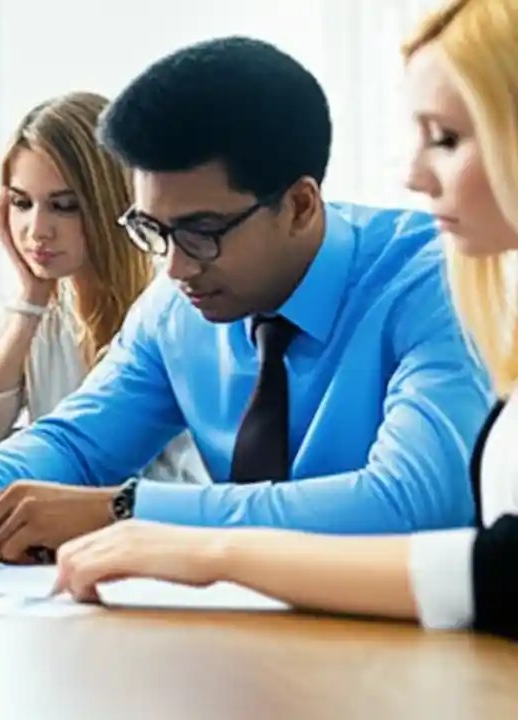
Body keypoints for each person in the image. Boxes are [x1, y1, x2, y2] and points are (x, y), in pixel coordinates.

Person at [0, 36, 492, 562]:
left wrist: (130, 511)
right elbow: (78, 443)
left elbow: (414, 503)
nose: (174, 264)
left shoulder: (437, 280)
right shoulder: (174, 307)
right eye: (152, 230)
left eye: (202, 231)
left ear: (299, 206)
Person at [53, 0, 518, 641]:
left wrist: (197, 545)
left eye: (445, 138)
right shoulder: (172, 309)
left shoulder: (425, 282)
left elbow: (478, 561)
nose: (412, 175)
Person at [0, 92, 204, 483]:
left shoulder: (170, 304)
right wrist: (31, 301)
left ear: (109, 203)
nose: (37, 231)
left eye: (64, 206)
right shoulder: (41, 312)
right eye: (21, 204)